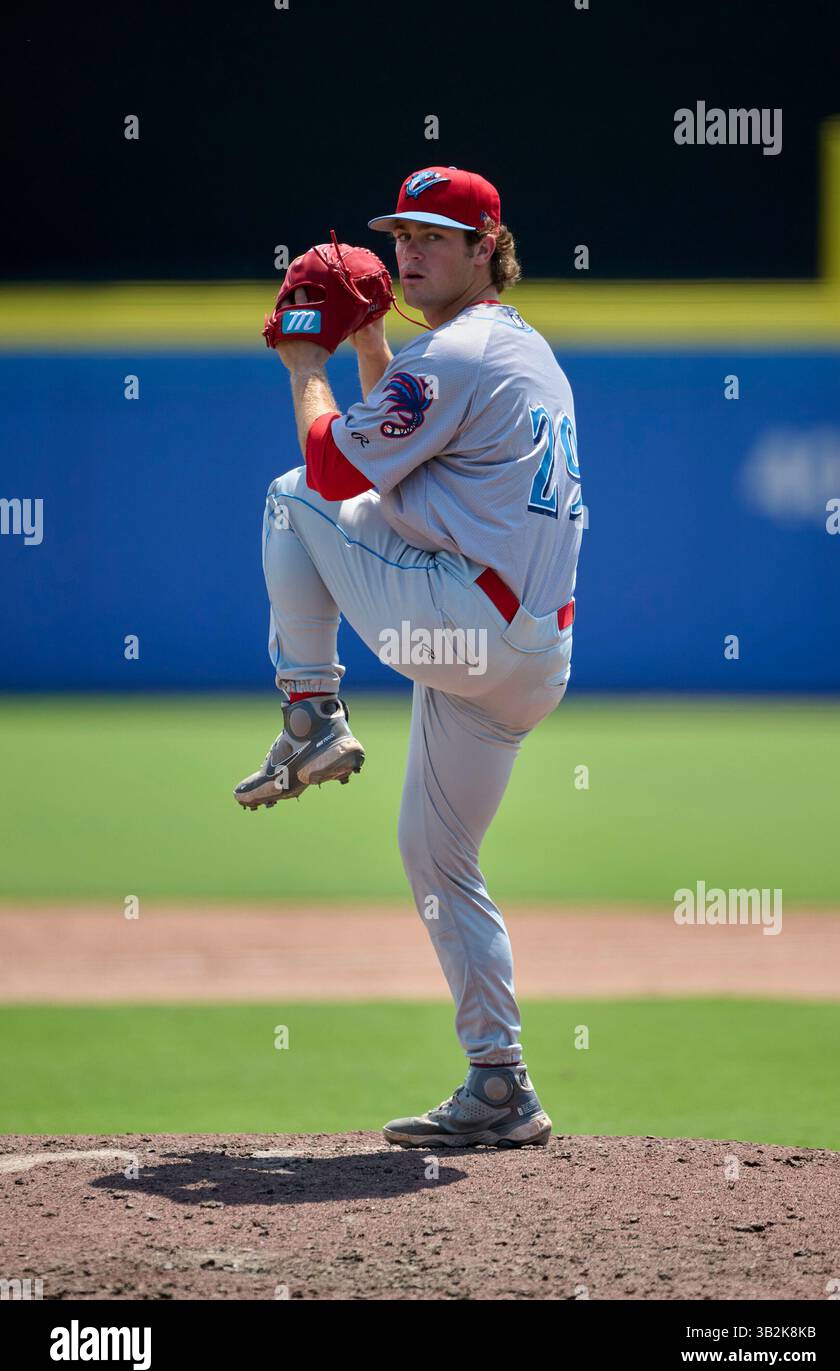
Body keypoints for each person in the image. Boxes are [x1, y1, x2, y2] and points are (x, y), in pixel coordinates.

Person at [235, 166, 584, 1148]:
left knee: (288, 497)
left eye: (436, 236)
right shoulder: (513, 349)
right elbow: (407, 440)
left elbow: (336, 466)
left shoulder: (462, 353)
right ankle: (499, 1081)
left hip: (465, 624)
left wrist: (305, 359)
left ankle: (308, 713)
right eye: (402, 233)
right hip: (524, 655)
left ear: (486, 249)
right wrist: (367, 340)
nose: (410, 250)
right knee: (437, 859)